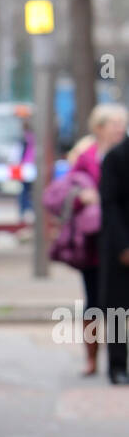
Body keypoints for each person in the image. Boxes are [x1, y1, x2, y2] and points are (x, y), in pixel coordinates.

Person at [58, 104, 127, 375]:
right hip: (94, 242)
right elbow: (66, 192)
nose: (119, 128)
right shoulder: (86, 157)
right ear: (99, 127)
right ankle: (95, 357)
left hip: (112, 237)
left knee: (115, 304)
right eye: (114, 123)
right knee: (98, 302)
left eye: (122, 123)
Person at [100, 124, 129, 384]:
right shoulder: (116, 158)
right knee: (118, 310)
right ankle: (117, 367)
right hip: (121, 248)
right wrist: (123, 246)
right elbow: (109, 205)